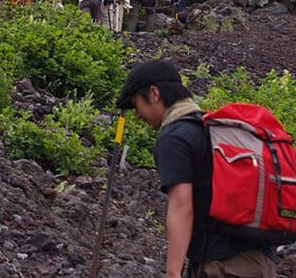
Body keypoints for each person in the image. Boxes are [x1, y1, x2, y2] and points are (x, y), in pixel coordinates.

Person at [116, 60, 278, 278]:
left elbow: (182, 207)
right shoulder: (211, 130)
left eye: (137, 105)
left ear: (154, 93)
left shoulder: (174, 137)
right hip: (261, 262)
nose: (138, 115)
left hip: (223, 266)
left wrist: (173, 273)